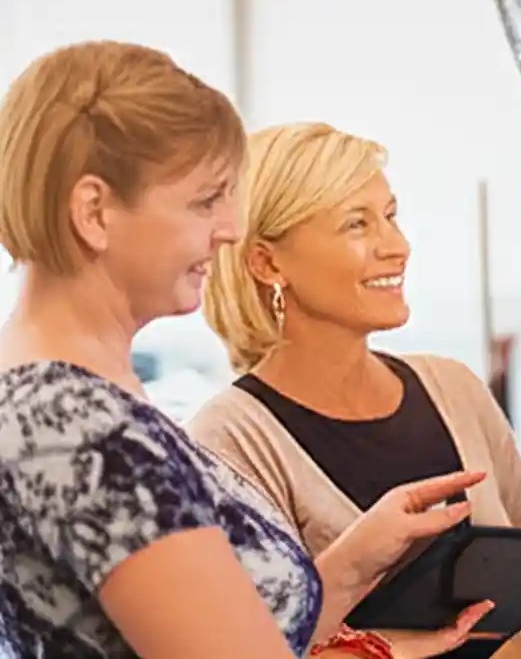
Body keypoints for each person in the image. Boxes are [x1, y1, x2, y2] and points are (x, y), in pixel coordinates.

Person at [0, 40, 492, 659]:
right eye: (205, 202)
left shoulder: (63, 398)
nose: (231, 230)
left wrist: (348, 569)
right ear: (94, 212)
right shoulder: (81, 429)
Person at [186, 122, 521, 659]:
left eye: (391, 217)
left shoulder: (455, 389)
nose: (397, 247)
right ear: (268, 262)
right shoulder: (227, 442)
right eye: (357, 224)